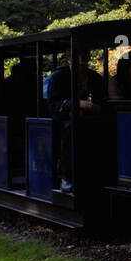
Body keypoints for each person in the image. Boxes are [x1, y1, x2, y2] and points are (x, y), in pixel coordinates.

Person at [46, 52, 105, 191]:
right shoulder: (58, 76)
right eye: (77, 60)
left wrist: (98, 106)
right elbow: (53, 104)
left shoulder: (95, 77)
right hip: (65, 118)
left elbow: (103, 97)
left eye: (84, 60)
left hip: (91, 116)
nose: (81, 63)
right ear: (68, 60)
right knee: (71, 129)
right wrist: (75, 104)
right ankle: (66, 176)